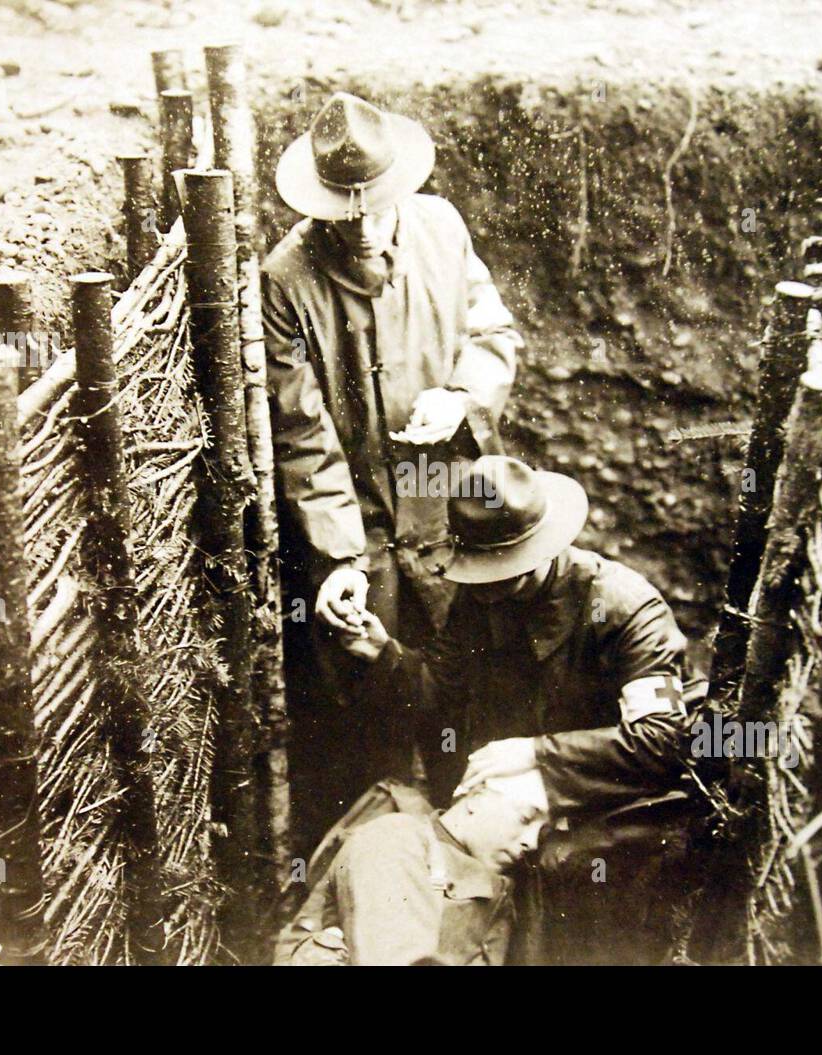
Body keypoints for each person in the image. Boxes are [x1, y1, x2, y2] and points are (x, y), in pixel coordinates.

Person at [262, 92, 522, 854]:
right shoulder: (285, 279)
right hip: (364, 532)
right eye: (345, 214)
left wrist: (463, 393)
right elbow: (302, 432)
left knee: (465, 699)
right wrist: (341, 556)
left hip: (450, 514)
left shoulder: (442, 227)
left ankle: (468, 866)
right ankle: (365, 877)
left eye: (377, 207)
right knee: (362, 711)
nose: (366, 226)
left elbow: (491, 329)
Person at [337, 455, 704, 963]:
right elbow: (440, 690)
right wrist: (385, 654)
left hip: (619, 792)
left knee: (567, 869)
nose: (489, 590)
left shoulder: (624, 608)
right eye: (481, 574)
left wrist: (537, 754)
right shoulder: (481, 597)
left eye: (504, 575)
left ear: (541, 549)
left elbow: (663, 741)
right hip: (523, 795)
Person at [274, 772, 548, 966]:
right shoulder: (397, 836)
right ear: (476, 798)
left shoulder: (499, 889)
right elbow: (394, 956)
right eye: (525, 818)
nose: (531, 841)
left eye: (542, 831)